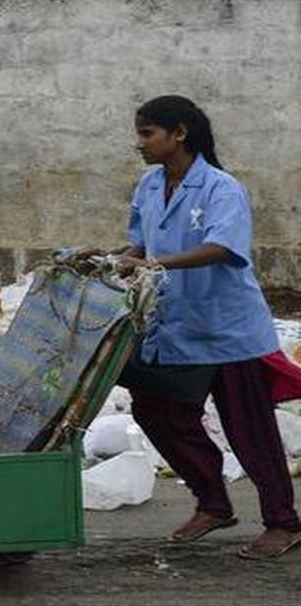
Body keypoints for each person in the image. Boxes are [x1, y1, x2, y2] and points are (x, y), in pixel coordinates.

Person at [117, 94, 301, 560]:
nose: (139, 143)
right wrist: (115, 260)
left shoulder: (221, 188)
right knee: (155, 410)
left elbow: (223, 246)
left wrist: (155, 262)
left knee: (249, 429)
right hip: (174, 324)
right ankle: (213, 501)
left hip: (227, 329)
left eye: (147, 133)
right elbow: (140, 244)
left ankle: (283, 522)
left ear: (178, 134)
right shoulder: (148, 185)